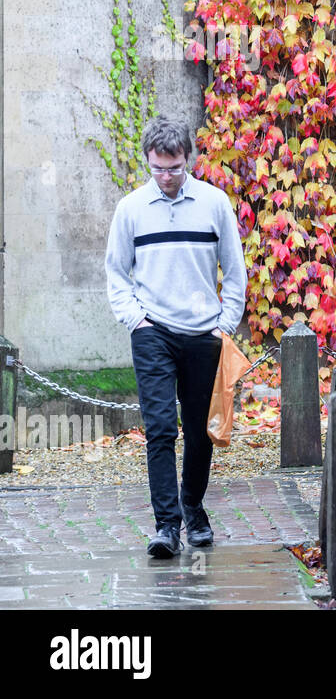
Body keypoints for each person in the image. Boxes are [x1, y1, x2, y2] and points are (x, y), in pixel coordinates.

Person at [104, 117, 247, 558]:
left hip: (204, 332)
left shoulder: (214, 202)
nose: (166, 178)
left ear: (190, 160)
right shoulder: (131, 208)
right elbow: (115, 272)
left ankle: (194, 507)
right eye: (158, 169)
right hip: (153, 334)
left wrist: (224, 323)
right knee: (162, 429)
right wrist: (136, 321)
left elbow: (235, 270)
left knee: (201, 432)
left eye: (175, 168)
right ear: (148, 161)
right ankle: (167, 525)